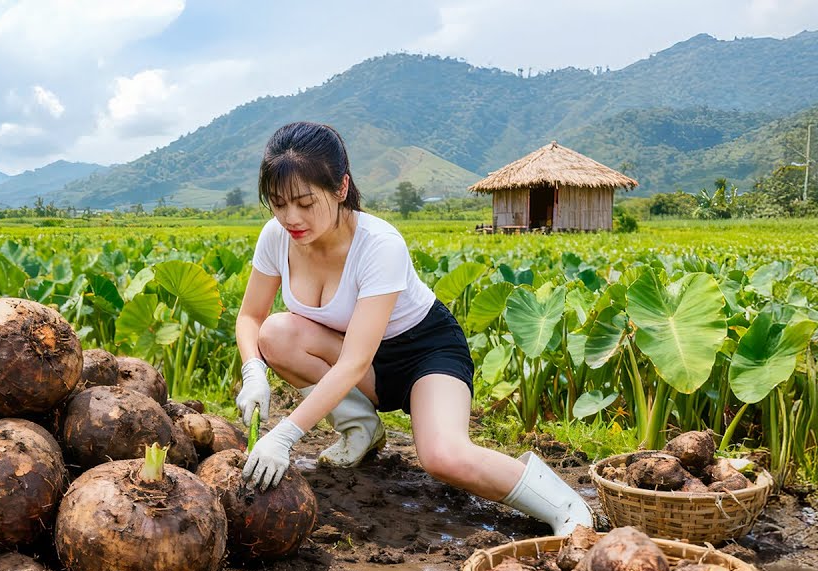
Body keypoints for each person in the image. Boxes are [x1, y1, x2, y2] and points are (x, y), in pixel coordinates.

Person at [236, 121, 592, 536]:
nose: (291, 218)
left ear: (340, 188)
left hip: (424, 352)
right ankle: (360, 429)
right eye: (278, 204)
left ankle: (567, 507)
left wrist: (285, 435)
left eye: (304, 202)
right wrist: (253, 371)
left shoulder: (379, 244)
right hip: (354, 357)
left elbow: (354, 362)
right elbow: (251, 317)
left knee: (444, 456)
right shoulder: (276, 237)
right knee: (276, 334)